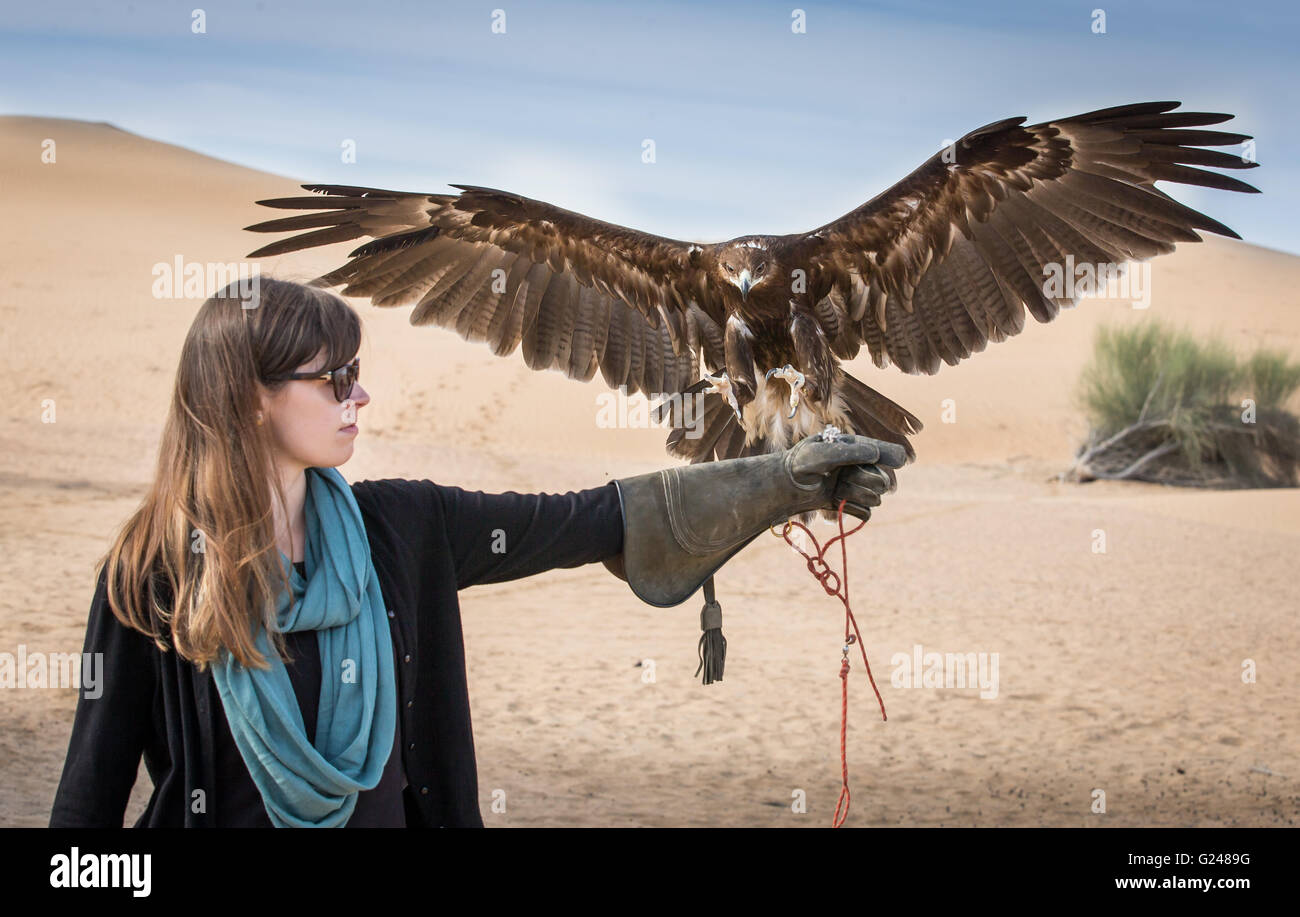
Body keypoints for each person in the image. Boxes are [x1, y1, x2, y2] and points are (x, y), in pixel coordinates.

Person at [47, 277, 906, 828]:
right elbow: (86, 811)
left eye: (357, 371)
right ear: (250, 397)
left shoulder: (405, 529)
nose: (362, 394)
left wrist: (783, 481)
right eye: (334, 379)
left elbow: (592, 517)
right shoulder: (151, 577)